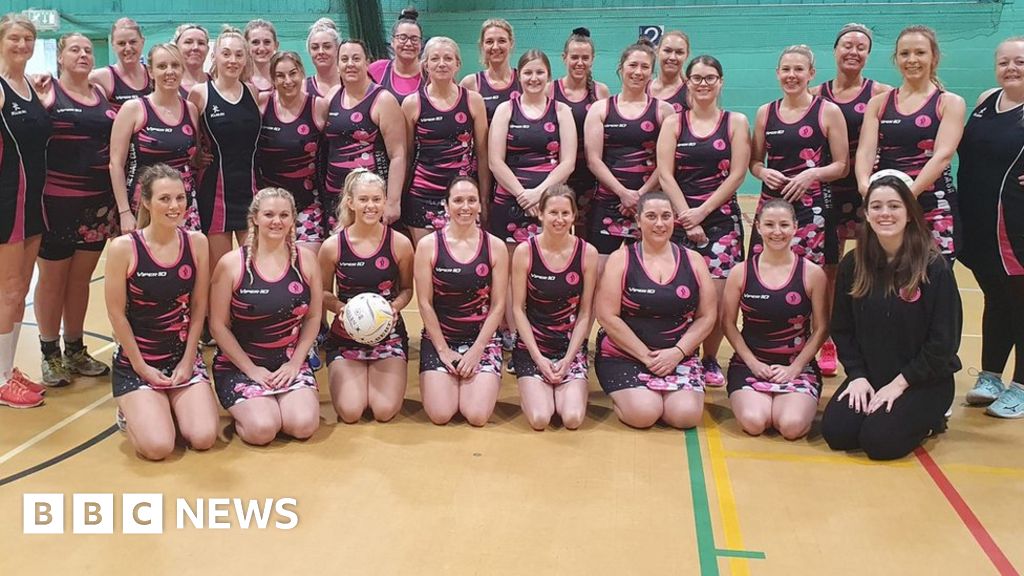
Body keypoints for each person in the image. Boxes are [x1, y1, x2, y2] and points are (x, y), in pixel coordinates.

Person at [822, 172, 961, 460]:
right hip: (871, 375)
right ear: (867, 214)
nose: (885, 213)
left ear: (909, 213)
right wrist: (857, 376)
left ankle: (931, 419)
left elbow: (943, 342)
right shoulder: (854, 263)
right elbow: (842, 329)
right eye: (877, 206)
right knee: (838, 433)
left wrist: (900, 384)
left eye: (894, 206)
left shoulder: (933, 267)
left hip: (922, 380)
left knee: (879, 442)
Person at [104, 164, 218, 460]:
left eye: (180, 198)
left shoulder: (197, 243)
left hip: (181, 359)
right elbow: (117, 315)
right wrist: (141, 367)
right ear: (145, 201)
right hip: (138, 363)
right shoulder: (123, 248)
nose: (175, 206)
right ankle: (134, 409)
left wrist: (189, 360)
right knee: (158, 448)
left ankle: (166, 405)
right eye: (164, 199)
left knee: (204, 437)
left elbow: (198, 307)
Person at [657, 54, 749, 388]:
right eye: (697, 78)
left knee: (720, 297)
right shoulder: (674, 123)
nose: (703, 84)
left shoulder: (736, 122)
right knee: (680, 293)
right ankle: (683, 355)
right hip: (678, 221)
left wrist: (703, 212)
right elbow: (665, 174)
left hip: (721, 220)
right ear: (688, 82)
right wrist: (686, 216)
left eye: (710, 78)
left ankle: (709, 358)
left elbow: (737, 174)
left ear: (720, 82)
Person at [209, 187, 323, 445]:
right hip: (240, 366)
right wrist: (251, 370)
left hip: (288, 363)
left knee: (303, 425)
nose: (276, 221)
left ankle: (276, 401)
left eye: (284, 215)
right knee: (262, 430)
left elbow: (314, 317)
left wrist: (295, 362)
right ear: (255, 219)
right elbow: (218, 326)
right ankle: (256, 408)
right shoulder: (231, 264)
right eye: (269, 214)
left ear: (293, 219)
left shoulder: (306, 261)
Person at [594, 191, 716, 429]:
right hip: (626, 354)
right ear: (638, 221)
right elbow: (607, 316)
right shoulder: (621, 259)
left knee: (686, 417)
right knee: (643, 415)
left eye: (666, 216)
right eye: (651, 216)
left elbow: (707, 316)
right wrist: (645, 356)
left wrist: (678, 352)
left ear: (675, 220)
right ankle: (630, 398)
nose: (659, 223)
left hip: (677, 355)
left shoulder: (693, 260)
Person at [33, 33, 115, 387]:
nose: (83, 54)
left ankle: (75, 349)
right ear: (60, 57)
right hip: (56, 203)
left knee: (80, 280)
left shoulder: (100, 95)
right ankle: (50, 354)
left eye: (87, 50)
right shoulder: (48, 92)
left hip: (97, 204)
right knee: (53, 280)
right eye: (74, 50)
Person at [811, 23, 891, 378]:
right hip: (828, 191)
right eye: (847, 45)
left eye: (861, 47)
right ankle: (826, 340)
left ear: (868, 54)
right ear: (835, 50)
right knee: (828, 271)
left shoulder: (883, 94)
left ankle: (873, 336)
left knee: (876, 264)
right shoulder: (816, 94)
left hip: (868, 192)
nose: (853, 52)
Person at [855, 25, 966, 260]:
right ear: (896, 59)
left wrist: (908, 195)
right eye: (905, 53)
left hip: (933, 204)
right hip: (887, 207)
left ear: (934, 57)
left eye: (920, 52)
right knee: (886, 277)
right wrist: (865, 187)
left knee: (935, 277)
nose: (912, 60)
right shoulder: (879, 103)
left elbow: (943, 156)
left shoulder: (950, 103)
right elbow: (865, 151)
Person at [957, 36, 1024, 418]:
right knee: (995, 296)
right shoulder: (986, 100)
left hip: (1014, 223)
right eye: (1004, 62)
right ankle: (991, 376)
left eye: (1019, 61)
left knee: (1020, 301)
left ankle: (1021, 386)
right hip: (978, 217)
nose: (1011, 68)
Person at [721, 199, 828, 439]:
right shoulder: (741, 272)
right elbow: (727, 323)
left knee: (791, 426)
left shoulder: (812, 273)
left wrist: (795, 368)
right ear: (757, 226)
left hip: (796, 366)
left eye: (784, 225)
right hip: (750, 364)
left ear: (795, 227)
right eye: (769, 224)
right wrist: (752, 363)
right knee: (754, 422)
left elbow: (822, 328)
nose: (777, 232)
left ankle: (797, 397)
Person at [320, 170, 414, 423]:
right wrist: (342, 309)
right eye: (363, 199)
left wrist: (394, 308)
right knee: (350, 413)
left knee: (383, 411)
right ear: (350, 202)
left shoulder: (400, 243)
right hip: (345, 336)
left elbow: (407, 289)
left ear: (385, 201)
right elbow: (322, 292)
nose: (370, 206)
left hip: (388, 335)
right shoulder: (333, 246)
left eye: (376, 199)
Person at [413, 177, 508, 426]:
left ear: (480, 205)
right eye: (458, 200)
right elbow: (424, 303)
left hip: (482, 341)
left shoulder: (495, 247)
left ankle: (484, 373)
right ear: (446, 206)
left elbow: (498, 305)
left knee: (476, 415)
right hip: (441, 339)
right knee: (441, 414)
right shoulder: (427, 246)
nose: (465, 206)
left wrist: (477, 350)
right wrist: (443, 350)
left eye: (471, 200)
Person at [749, 45, 849, 267]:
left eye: (798, 69)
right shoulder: (765, 112)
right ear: (777, 73)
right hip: (772, 207)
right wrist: (763, 171)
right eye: (786, 69)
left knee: (816, 279)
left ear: (811, 73)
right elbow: (754, 162)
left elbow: (842, 166)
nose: (791, 75)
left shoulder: (828, 111)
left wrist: (812, 174)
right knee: (763, 271)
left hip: (812, 209)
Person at [511, 185, 597, 430]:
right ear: (540, 213)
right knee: (540, 419)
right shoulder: (524, 252)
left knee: (571, 419)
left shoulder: (587, 253)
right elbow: (518, 309)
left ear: (574, 216)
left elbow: (586, 312)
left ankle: (567, 382)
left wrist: (570, 358)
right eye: (553, 213)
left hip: (568, 349)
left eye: (565, 213)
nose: (559, 219)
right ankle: (535, 383)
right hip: (533, 348)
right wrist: (538, 357)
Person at [0, 14, 51, 408]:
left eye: (28, 38)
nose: (22, 45)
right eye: (14, 38)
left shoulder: (29, 86)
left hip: (33, 200)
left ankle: (7, 368)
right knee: (8, 291)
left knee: (20, 293)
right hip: (7, 199)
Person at [584, 39, 674, 262]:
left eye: (645, 67)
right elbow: (593, 160)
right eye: (633, 65)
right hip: (608, 203)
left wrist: (640, 196)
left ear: (652, 73)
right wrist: (623, 193)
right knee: (601, 273)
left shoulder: (664, 111)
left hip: (648, 207)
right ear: (621, 68)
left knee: (644, 271)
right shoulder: (600, 109)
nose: (638, 72)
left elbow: (668, 162)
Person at [401, 37, 490, 245]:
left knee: (463, 260)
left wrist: (484, 198)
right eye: (435, 59)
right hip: (423, 193)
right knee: (427, 261)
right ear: (426, 65)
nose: (442, 63)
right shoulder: (412, 104)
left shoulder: (473, 101)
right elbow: (406, 156)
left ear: (458, 64)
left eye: (448, 58)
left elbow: (483, 155)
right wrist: (401, 199)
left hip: (463, 195)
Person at [189, 27, 261, 275]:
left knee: (251, 268)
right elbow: (188, 135)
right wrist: (195, 155)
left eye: (239, 55)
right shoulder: (200, 93)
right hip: (215, 193)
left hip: (249, 193)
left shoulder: (252, 92)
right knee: (218, 272)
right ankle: (216, 316)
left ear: (246, 59)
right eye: (226, 54)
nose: (233, 60)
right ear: (215, 56)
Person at [110, 43, 201, 235]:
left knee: (184, 260)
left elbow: (194, 155)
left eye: (175, 65)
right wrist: (124, 211)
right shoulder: (133, 108)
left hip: (183, 204)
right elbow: (115, 164)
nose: (170, 72)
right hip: (143, 204)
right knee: (145, 262)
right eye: (162, 66)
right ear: (150, 71)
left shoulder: (191, 109)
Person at [488, 49, 576, 245]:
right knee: (510, 268)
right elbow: (495, 161)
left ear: (549, 76)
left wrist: (539, 194)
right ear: (519, 76)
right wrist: (521, 195)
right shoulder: (505, 110)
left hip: (550, 203)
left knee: (548, 263)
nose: (534, 78)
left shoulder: (562, 111)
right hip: (510, 200)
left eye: (540, 72)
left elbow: (568, 163)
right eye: (528, 73)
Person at [318, 39, 406, 229]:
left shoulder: (383, 100)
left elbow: (398, 155)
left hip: (370, 200)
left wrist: (392, 201)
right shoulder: (332, 96)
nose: (350, 64)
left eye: (356, 58)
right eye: (345, 59)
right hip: (336, 195)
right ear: (338, 64)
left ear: (367, 62)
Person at [257, 51, 325, 249]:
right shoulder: (262, 103)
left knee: (308, 269)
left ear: (302, 73)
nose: (287, 80)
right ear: (272, 78)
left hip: (308, 204)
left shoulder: (318, 106)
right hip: (270, 207)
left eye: (293, 73)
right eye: (280, 75)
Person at [550, 27, 610, 239]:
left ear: (593, 59)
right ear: (564, 58)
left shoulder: (601, 92)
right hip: (558, 172)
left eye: (585, 57)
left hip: (590, 173)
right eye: (574, 57)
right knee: (557, 225)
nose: (579, 62)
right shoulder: (550, 90)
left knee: (585, 231)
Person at [460, 19, 521, 122]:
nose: (495, 47)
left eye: (502, 41)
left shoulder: (523, 80)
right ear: (482, 46)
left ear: (511, 44)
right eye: (489, 42)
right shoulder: (470, 84)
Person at [90, 18, 151, 109]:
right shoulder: (99, 78)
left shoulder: (154, 75)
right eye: (121, 43)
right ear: (113, 45)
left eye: (133, 42)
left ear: (142, 42)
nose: (128, 48)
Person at [369, 8, 423, 103]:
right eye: (403, 38)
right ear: (392, 42)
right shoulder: (376, 69)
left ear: (420, 43)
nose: (409, 43)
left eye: (414, 39)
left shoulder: (430, 73)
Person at [648, 30, 690, 113]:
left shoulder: (691, 92)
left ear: (686, 55)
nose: (672, 57)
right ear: (657, 51)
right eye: (667, 51)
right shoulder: (642, 89)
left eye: (679, 52)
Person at [304, 18, 341, 98]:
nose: (321, 52)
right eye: (315, 47)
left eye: (327, 47)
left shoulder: (351, 83)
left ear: (337, 48)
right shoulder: (303, 88)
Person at [172, 23, 210, 97]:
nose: (195, 47)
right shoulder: (167, 86)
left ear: (207, 50)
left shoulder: (216, 85)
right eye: (188, 42)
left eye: (201, 43)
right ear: (176, 48)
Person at [244, 19, 278, 96]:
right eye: (255, 42)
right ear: (246, 46)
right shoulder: (239, 81)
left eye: (267, 42)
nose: (262, 48)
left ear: (276, 45)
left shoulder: (284, 81)